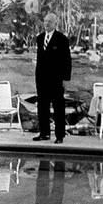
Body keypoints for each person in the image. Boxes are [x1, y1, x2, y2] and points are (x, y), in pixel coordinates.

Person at [34, 13, 72, 143]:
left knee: (58, 108)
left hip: (56, 80)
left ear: (55, 23)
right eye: (45, 21)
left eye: (49, 21)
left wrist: (65, 79)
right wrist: (37, 78)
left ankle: (59, 135)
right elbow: (39, 60)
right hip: (42, 80)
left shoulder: (62, 39)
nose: (46, 24)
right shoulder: (39, 38)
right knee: (42, 107)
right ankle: (44, 133)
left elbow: (67, 61)